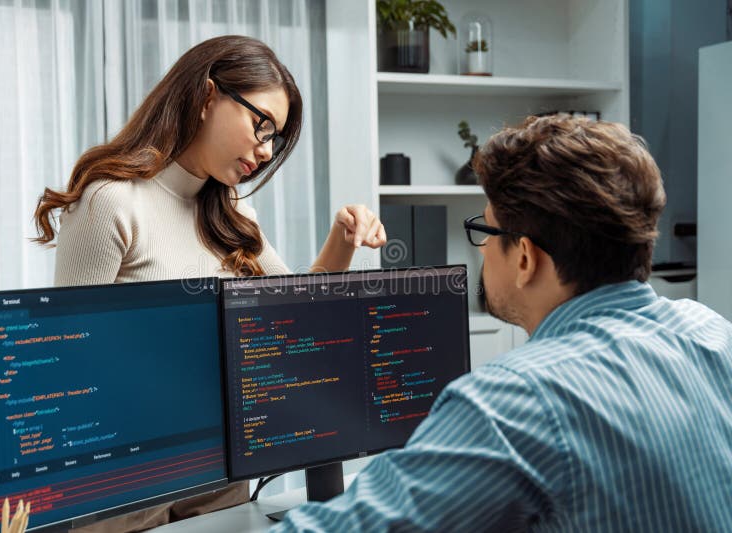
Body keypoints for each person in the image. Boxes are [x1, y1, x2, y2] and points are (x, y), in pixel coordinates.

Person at [272, 114, 732, 531]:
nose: (480, 248)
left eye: (486, 231)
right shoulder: (712, 334)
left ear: (526, 258)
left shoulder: (513, 401)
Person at [33, 35, 386, 532]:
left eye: (275, 138)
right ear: (205, 96)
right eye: (261, 126)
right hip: (129, 475)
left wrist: (343, 238)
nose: (265, 152)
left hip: (222, 468)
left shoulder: (232, 212)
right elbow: (65, 361)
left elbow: (298, 311)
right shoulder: (111, 202)